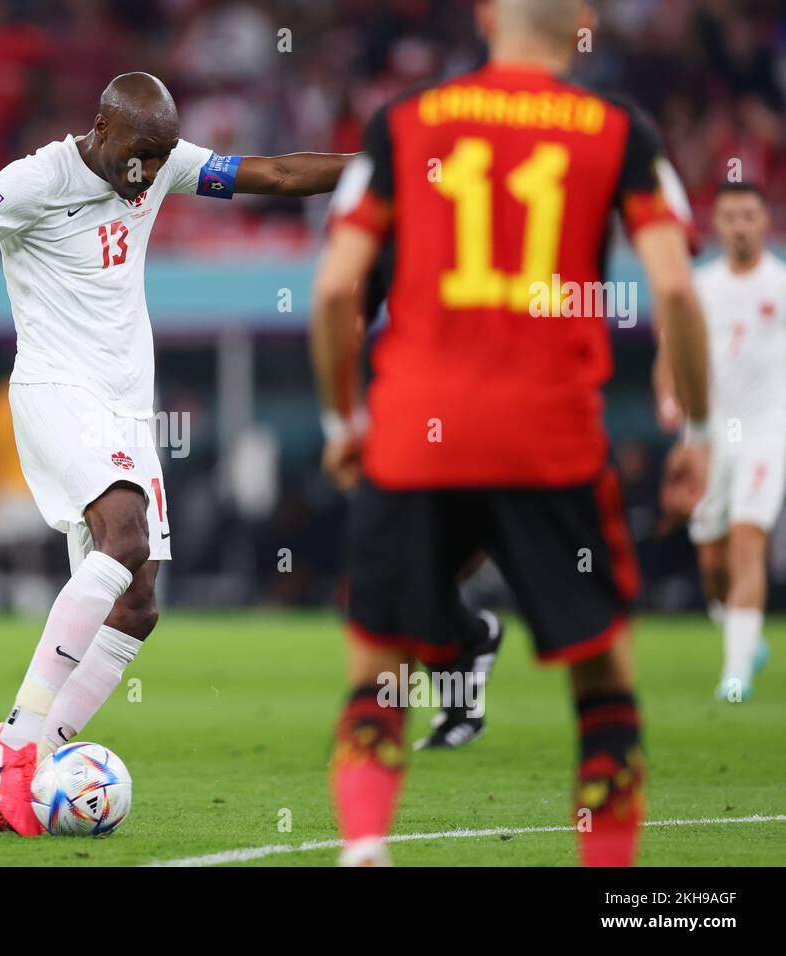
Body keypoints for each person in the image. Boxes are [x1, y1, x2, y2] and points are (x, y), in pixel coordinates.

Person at [0, 71, 354, 835]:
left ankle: (29, 755)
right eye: (140, 154)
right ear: (102, 129)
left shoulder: (158, 162)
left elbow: (273, 174)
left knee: (138, 606)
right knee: (124, 537)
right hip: (58, 392)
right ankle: (18, 746)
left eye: (161, 156)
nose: (149, 172)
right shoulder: (37, 180)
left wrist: (380, 166)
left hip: (127, 408)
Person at [309, 0, 710, 866]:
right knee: (604, 682)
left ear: (487, 16)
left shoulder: (403, 122)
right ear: (582, 22)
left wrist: (344, 420)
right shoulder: (619, 130)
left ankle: (365, 843)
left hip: (414, 438)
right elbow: (678, 288)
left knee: (379, 671)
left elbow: (337, 289)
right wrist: (700, 429)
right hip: (550, 442)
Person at [657, 182, 785, 702]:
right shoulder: (700, 287)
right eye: (730, 216)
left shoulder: (781, 285)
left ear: (765, 221)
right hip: (709, 436)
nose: (740, 226)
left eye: (749, 216)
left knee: (748, 540)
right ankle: (740, 632)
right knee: (712, 562)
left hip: (766, 432)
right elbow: (670, 353)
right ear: (717, 224)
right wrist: (668, 398)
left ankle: (735, 676)